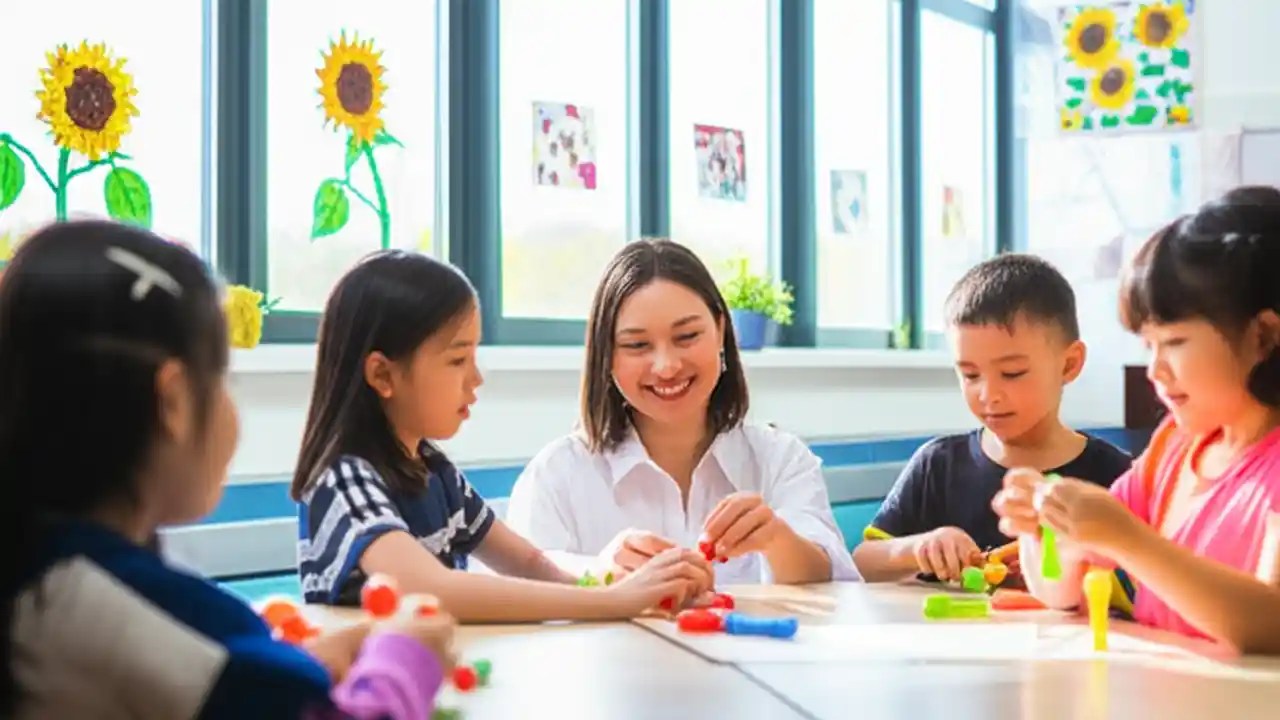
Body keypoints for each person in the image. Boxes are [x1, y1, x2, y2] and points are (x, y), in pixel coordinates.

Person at [0, 221, 454, 719]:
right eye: (222, 378)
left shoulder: (47, 579)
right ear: (171, 400)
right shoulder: (109, 603)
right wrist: (403, 658)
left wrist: (301, 665)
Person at [292, 251, 711, 622]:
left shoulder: (436, 473)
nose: (476, 379)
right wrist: (613, 602)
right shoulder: (344, 478)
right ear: (383, 374)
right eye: (458, 359)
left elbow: (530, 562)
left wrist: (623, 582)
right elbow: (430, 589)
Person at [994, 187, 1280, 653]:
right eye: (1149, 346)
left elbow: (1271, 624)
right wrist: (1050, 532)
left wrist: (1130, 541)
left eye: (1175, 343)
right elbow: (1060, 592)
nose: (1155, 370)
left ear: (1262, 336)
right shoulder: (1173, 447)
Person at [506, 238, 858, 585]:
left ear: (720, 331)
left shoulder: (780, 458)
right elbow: (516, 582)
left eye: (687, 336)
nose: (666, 366)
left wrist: (776, 540)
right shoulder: (558, 473)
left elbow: (834, 582)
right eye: (637, 345)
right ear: (606, 355)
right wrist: (598, 570)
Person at [854, 254, 1132, 582]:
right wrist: (919, 548)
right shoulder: (938, 464)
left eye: (1012, 373)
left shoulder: (1116, 476)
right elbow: (862, 563)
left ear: (1069, 365)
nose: (988, 395)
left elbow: (1146, 591)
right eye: (970, 375)